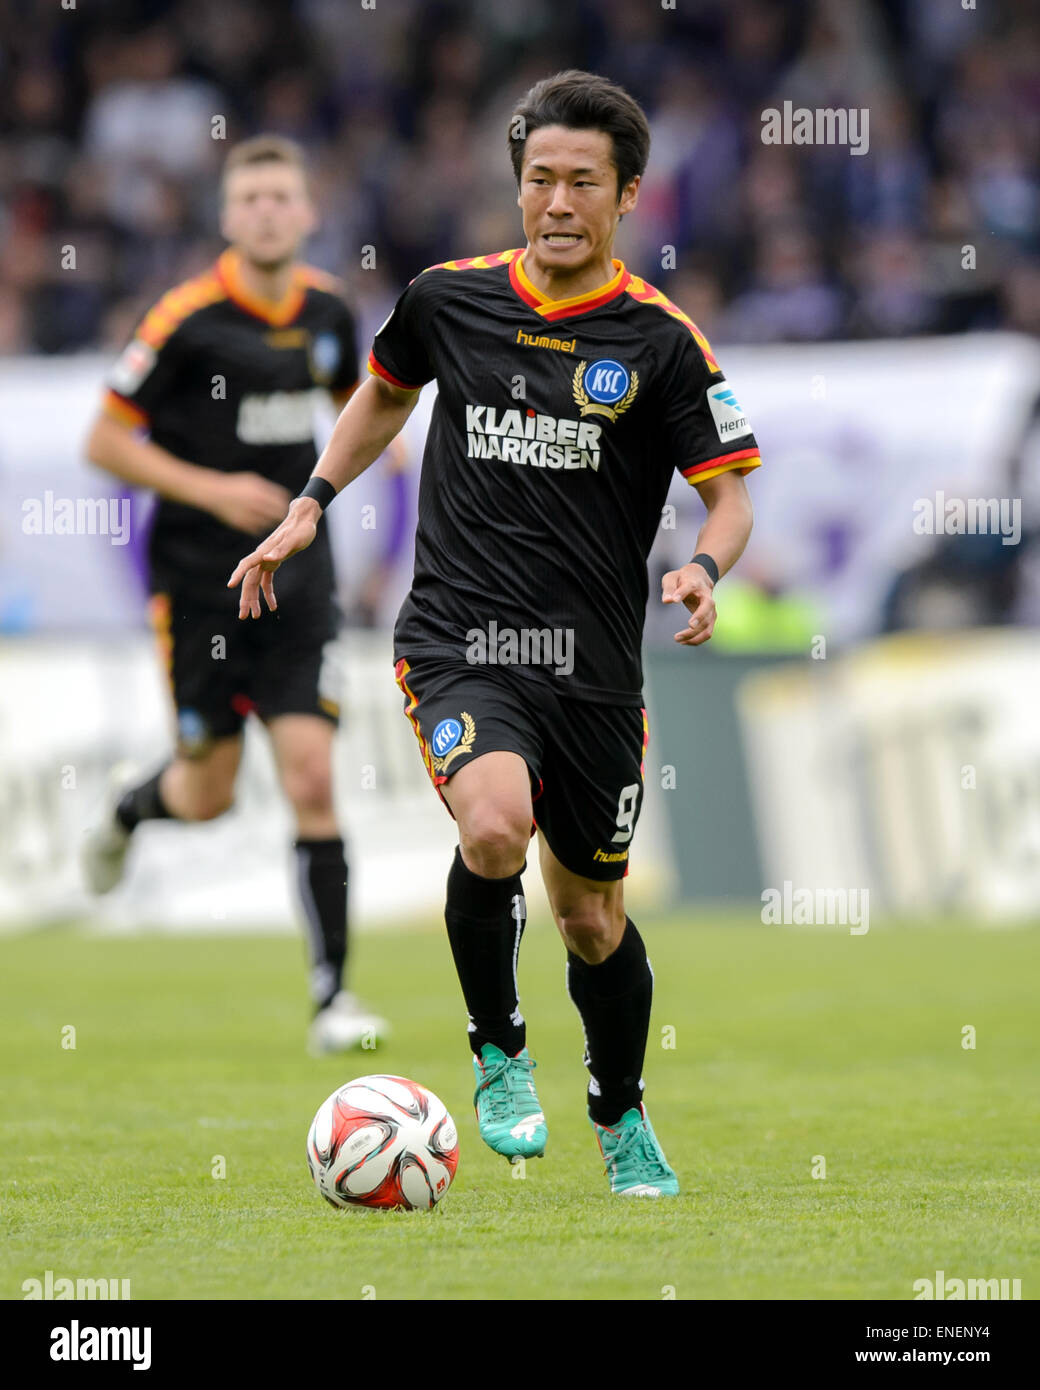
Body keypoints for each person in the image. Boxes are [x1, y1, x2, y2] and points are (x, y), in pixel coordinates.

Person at [228, 72, 760, 1195]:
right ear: (515, 185)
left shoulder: (661, 344)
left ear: (625, 200)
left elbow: (730, 494)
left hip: (596, 670)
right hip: (459, 636)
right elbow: (382, 392)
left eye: (581, 183)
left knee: (590, 918)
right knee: (492, 826)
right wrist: (310, 500)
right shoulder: (446, 299)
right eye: (537, 179)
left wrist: (705, 570)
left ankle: (618, 1113)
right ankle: (497, 1047)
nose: (556, 201)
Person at [81, 134, 388, 1055]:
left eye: (279, 196)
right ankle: (129, 812)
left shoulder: (334, 313)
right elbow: (104, 440)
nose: (264, 210)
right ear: (226, 215)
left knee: (310, 780)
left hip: (301, 579)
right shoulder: (184, 318)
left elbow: (373, 418)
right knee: (207, 794)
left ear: (305, 212)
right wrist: (212, 490)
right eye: (247, 196)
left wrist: (388, 543)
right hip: (202, 588)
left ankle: (333, 999)